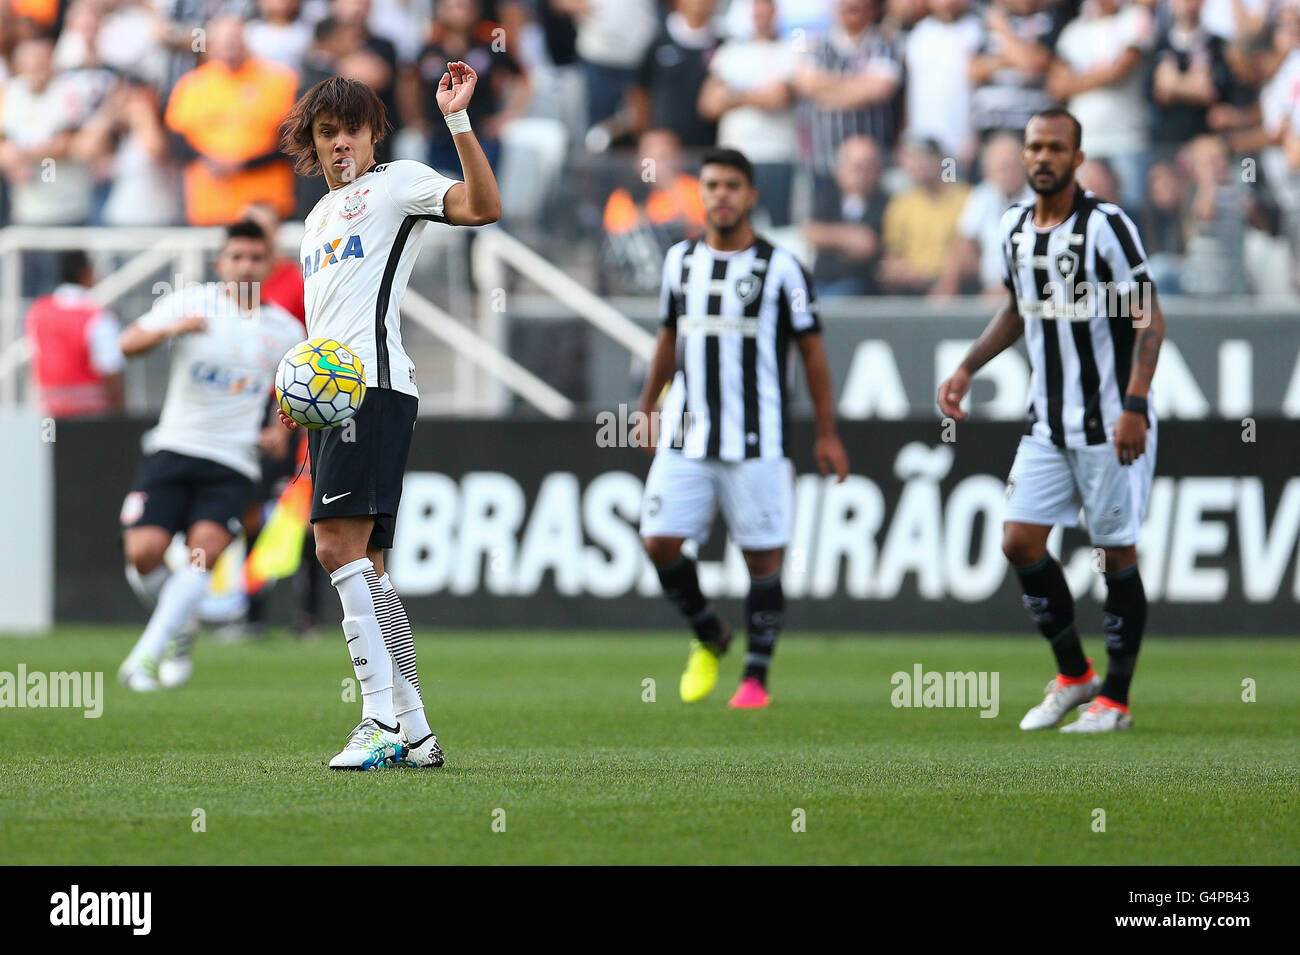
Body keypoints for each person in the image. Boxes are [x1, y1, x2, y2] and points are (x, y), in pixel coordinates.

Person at [277, 69, 501, 769]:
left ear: (373, 134)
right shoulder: (315, 221)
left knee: (334, 550)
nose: (341, 142)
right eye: (326, 133)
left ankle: (376, 719)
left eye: (352, 129)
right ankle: (416, 727)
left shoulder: (397, 182)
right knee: (369, 566)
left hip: (368, 390)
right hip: (335, 399)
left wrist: (457, 122)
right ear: (313, 145)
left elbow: (482, 207)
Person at [937, 108, 1166, 734]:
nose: (1042, 157)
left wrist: (1136, 404)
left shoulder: (1106, 228)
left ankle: (1114, 701)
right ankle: (1074, 676)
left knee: (1114, 554)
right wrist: (967, 366)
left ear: (1076, 157)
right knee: (1019, 541)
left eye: (1055, 148)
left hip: (1108, 422)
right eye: (1034, 147)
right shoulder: (1012, 228)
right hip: (1046, 424)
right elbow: (1017, 309)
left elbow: (1149, 318)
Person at [636, 147, 849, 711]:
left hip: (758, 440)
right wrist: (647, 405)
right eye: (711, 185)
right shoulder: (680, 259)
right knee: (658, 542)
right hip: (688, 433)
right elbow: (666, 337)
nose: (721, 195)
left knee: (762, 558)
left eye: (732, 185)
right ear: (700, 193)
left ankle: (755, 678)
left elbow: (813, 354)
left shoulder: (782, 267)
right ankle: (709, 634)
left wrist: (827, 433)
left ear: (751, 195)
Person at [117, 220, 304, 692]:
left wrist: (281, 430)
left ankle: (142, 660)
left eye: (255, 257)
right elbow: (127, 344)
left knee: (201, 558)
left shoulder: (285, 329)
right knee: (143, 555)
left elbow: (298, 395)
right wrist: (172, 330)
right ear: (221, 262)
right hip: (174, 447)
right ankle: (181, 633)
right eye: (236, 256)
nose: (245, 265)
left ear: (269, 265)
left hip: (233, 463)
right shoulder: (191, 302)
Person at [165, 15, 298, 225]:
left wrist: (242, 164)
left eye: (235, 38)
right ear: (211, 44)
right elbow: (177, 141)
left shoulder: (280, 81)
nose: (230, 45)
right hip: (209, 206)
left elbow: (294, 142)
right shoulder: (192, 85)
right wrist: (208, 160)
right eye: (223, 39)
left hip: (266, 206)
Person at [24, 251, 125, 419]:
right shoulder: (97, 315)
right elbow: (110, 368)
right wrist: (120, 411)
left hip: (47, 412)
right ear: (86, 272)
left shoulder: (37, 311)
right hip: (90, 413)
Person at [880, 136, 971, 294]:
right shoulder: (900, 203)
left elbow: (968, 251)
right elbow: (892, 254)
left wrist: (947, 282)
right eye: (912, 158)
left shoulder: (965, 197)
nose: (918, 164)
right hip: (911, 286)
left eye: (925, 157)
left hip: (955, 285)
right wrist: (899, 270)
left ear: (941, 161)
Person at [803, 134, 887, 295]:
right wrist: (849, 237)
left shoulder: (885, 202)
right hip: (820, 282)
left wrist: (830, 236)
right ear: (840, 170)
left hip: (860, 288)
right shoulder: (828, 196)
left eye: (868, 167)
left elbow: (867, 244)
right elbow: (811, 232)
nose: (862, 174)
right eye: (856, 167)